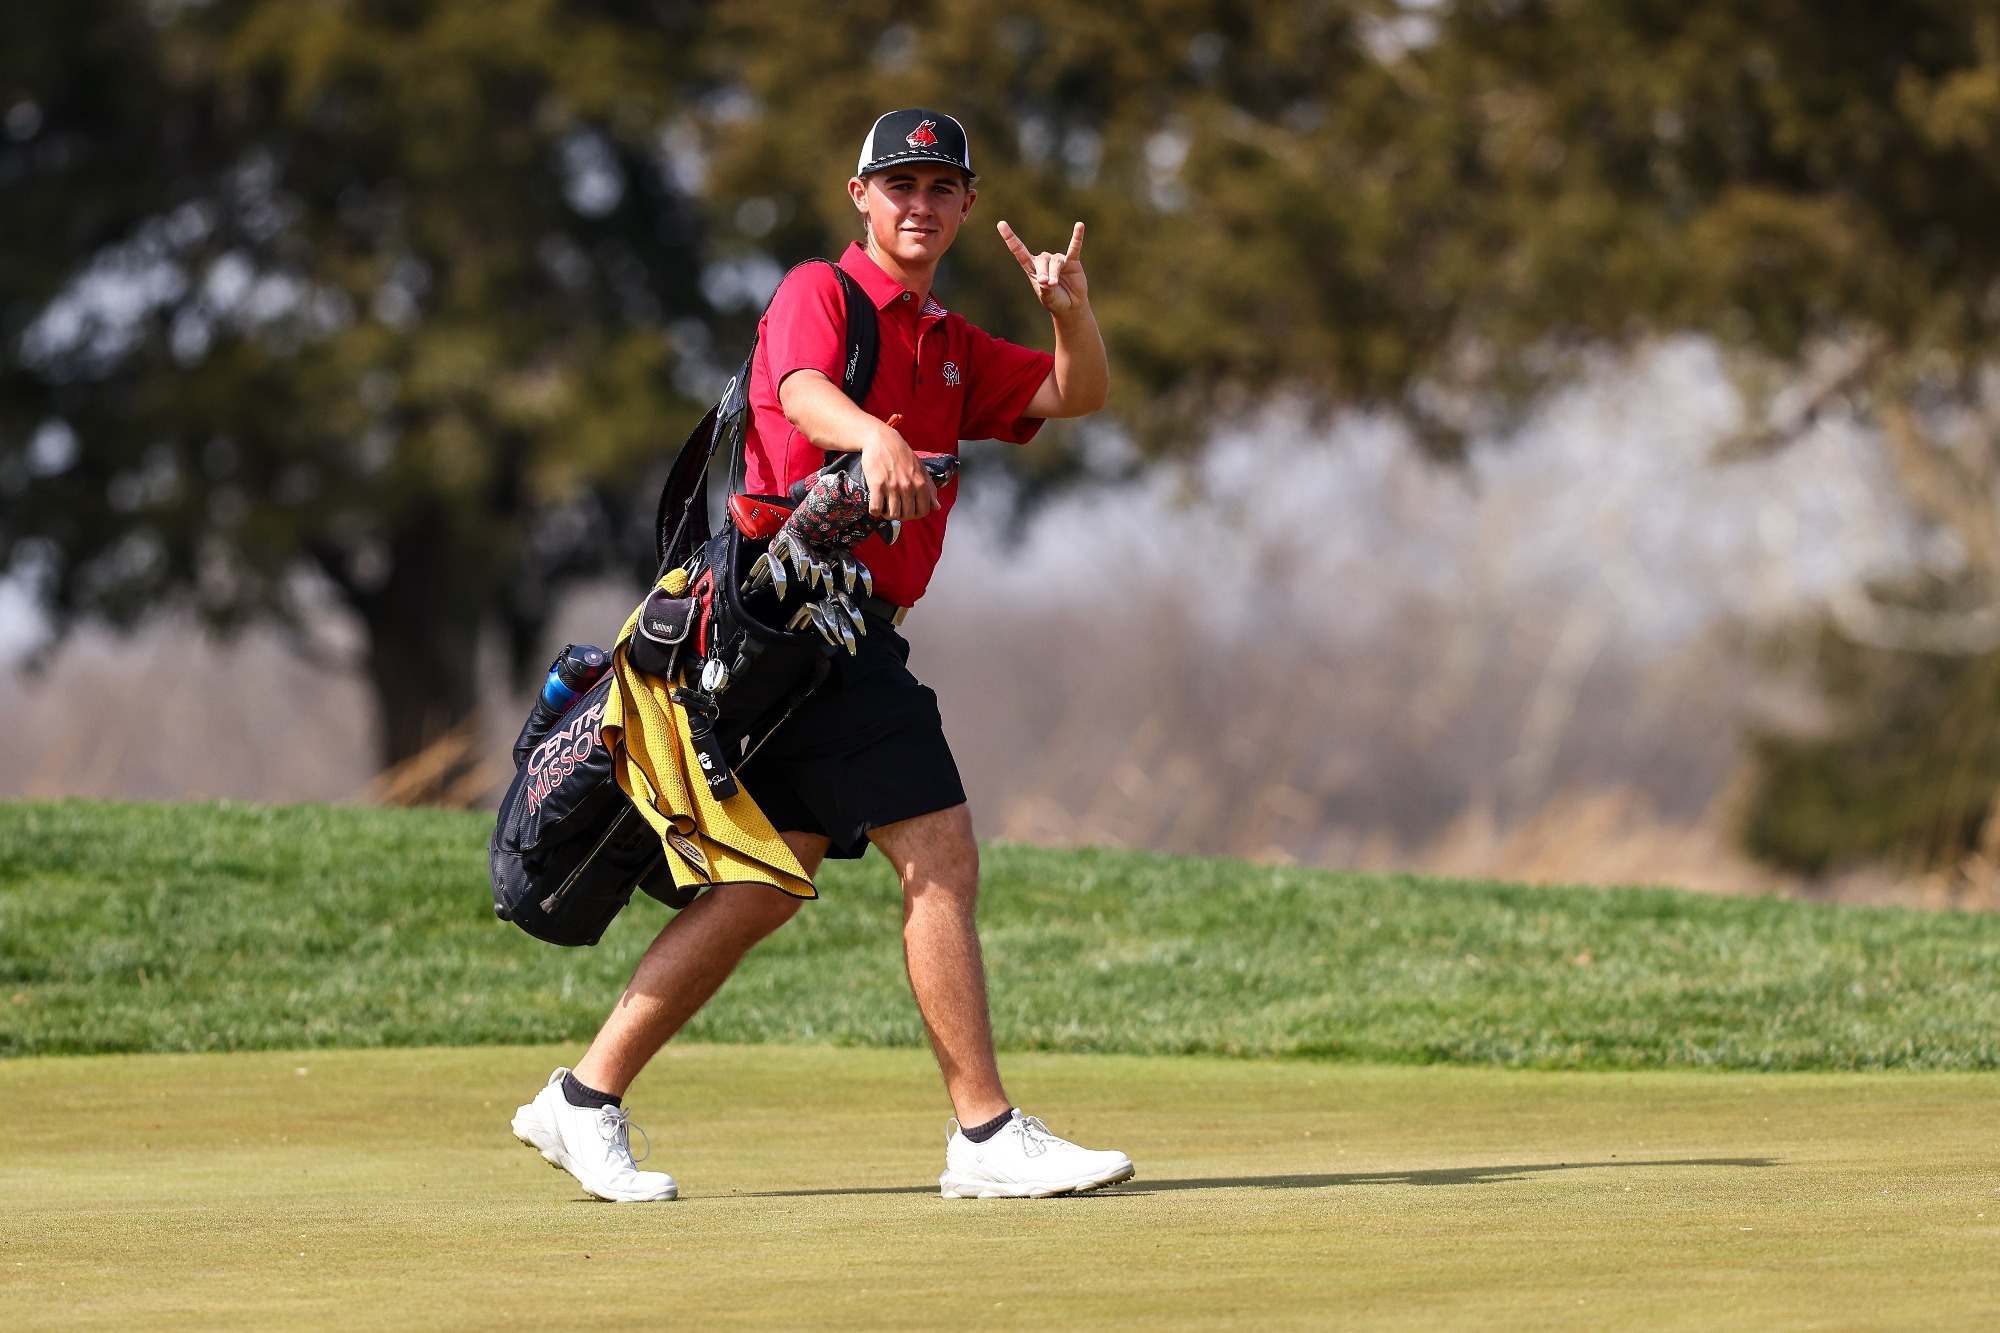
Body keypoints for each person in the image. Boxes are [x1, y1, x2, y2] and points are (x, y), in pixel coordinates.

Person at [511, 109, 1133, 1201]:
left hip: (823, 638)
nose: (919, 205)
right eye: (899, 185)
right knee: (938, 853)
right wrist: (874, 433)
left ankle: (583, 1096)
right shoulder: (820, 291)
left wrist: (1070, 312)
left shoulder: (948, 342)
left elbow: (1071, 393)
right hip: (795, 612)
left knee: (765, 884)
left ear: (966, 205)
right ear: (861, 197)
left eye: (940, 188)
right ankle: (986, 1134)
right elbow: (798, 389)